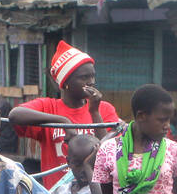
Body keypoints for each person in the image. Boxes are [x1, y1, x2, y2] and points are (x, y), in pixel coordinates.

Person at [9, 41, 121, 185]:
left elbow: (109, 154)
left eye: (93, 76)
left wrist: (94, 112)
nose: (91, 82)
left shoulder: (104, 108)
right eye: (84, 77)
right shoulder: (48, 107)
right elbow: (15, 115)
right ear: (65, 82)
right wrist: (64, 122)